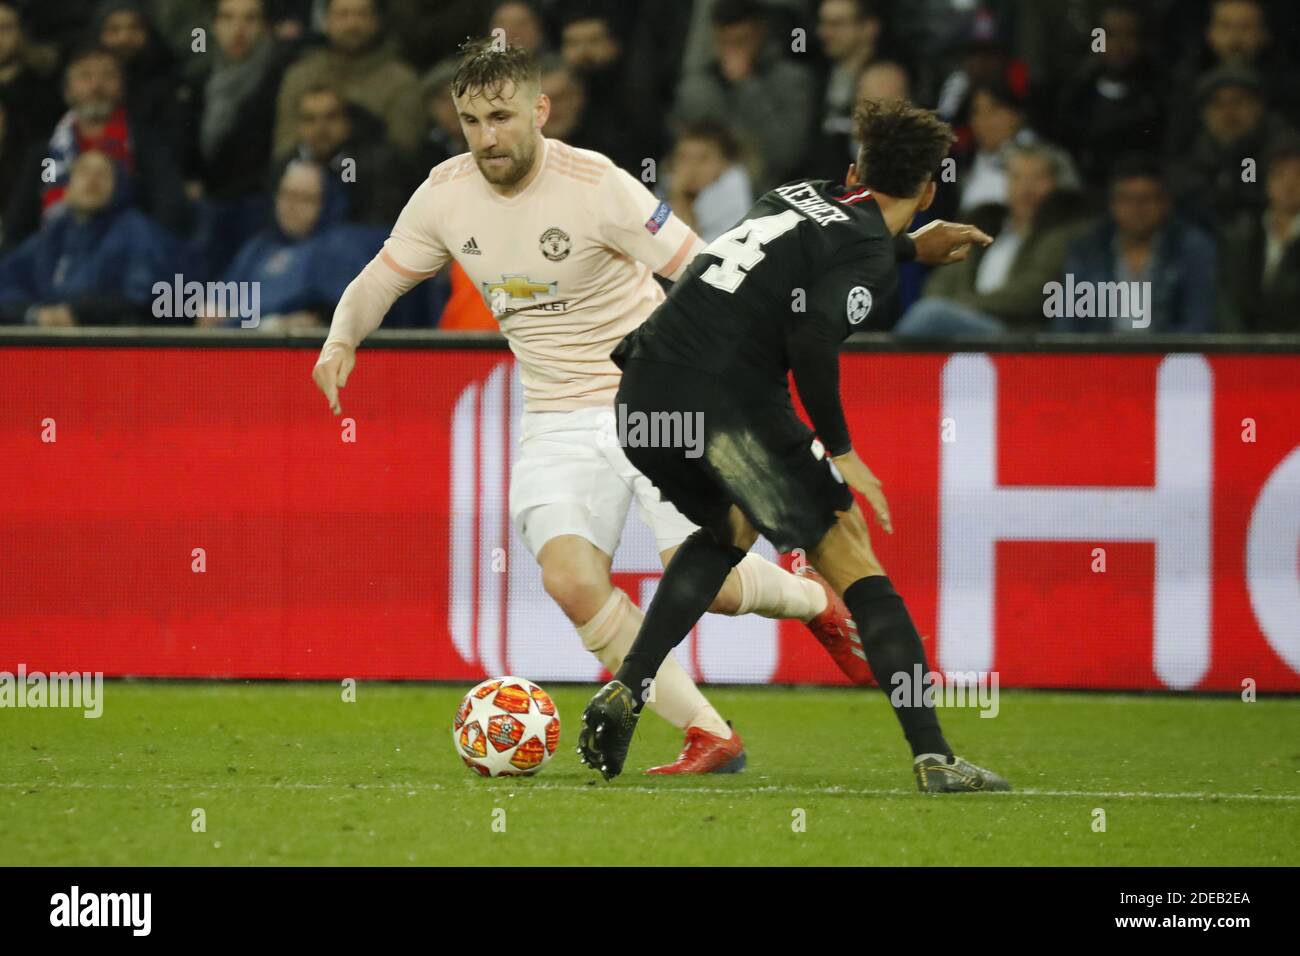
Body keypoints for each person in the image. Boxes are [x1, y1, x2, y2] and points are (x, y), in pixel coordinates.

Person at [311, 40, 887, 776]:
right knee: (571, 580)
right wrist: (340, 342)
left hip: (654, 399)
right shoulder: (444, 195)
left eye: (501, 116)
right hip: (555, 414)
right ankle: (711, 734)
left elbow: (701, 270)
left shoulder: (599, 186)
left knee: (702, 584)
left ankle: (810, 600)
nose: (487, 137)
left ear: (539, 110)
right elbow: (382, 278)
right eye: (470, 121)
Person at [575, 97, 1009, 794]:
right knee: (849, 549)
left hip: (645, 393)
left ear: (853, 168)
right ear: (929, 190)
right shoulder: (868, 257)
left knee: (728, 528)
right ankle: (934, 755)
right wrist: (841, 450)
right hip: (728, 403)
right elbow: (812, 338)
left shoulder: (794, 194)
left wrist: (908, 243)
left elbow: (812, 247)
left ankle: (629, 684)